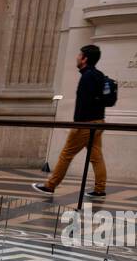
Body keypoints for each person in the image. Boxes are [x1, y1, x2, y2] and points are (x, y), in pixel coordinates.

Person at [33, 44, 113, 199]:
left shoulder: (87, 77)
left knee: (66, 154)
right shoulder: (99, 75)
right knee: (96, 157)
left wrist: (77, 125)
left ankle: (50, 186)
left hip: (85, 124)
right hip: (99, 122)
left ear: (85, 59)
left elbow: (84, 103)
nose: (77, 57)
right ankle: (100, 189)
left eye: (79, 55)